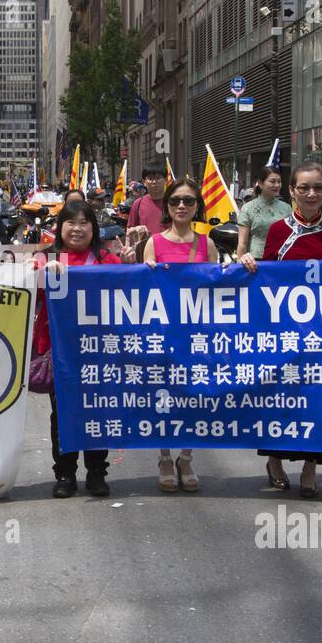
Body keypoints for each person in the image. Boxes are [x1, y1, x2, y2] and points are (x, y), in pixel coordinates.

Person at [242, 162, 322, 499]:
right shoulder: (277, 230)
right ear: (292, 191)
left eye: (318, 187)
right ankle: (275, 458)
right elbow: (268, 277)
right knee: (282, 396)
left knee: (319, 398)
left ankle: (310, 467)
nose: (312, 194)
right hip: (285, 329)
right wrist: (249, 263)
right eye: (304, 188)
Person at [35, 200, 121, 498]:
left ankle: (97, 472)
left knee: (99, 410)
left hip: (100, 349)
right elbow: (24, 285)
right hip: (61, 353)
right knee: (63, 412)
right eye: (71, 222)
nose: (77, 228)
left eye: (84, 222)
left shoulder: (107, 260)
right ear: (60, 228)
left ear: (93, 228)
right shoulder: (46, 258)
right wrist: (43, 272)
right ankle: (65, 474)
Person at [143, 176, 217, 493]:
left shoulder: (207, 244)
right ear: (167, 206)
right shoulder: (154, 244)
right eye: (176, 201)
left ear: (198, 206)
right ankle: (164, 456)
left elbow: (219, 291)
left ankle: (186, 456)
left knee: (193, 397)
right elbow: (141, 293)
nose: (182, 206)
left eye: (188, 200)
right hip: (162, 335)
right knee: (162, 398)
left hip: (197, 336)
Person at [236, 165, 291, 261]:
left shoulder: (287, 208)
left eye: (279, 182)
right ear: (261, 184)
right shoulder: (248, 208)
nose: (277, 185)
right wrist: (239, 267)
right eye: (272, 181)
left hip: (280, 260)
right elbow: (242, 243)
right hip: (255, 262)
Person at [125, 163, 167, 244]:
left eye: (158, 178)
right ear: (144, 182)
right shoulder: (138, 203)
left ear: (165, 180)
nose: (154, 182)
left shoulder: (174, 202)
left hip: (169, 251)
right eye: (150, 178)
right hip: (145, 251)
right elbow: (130, 231)